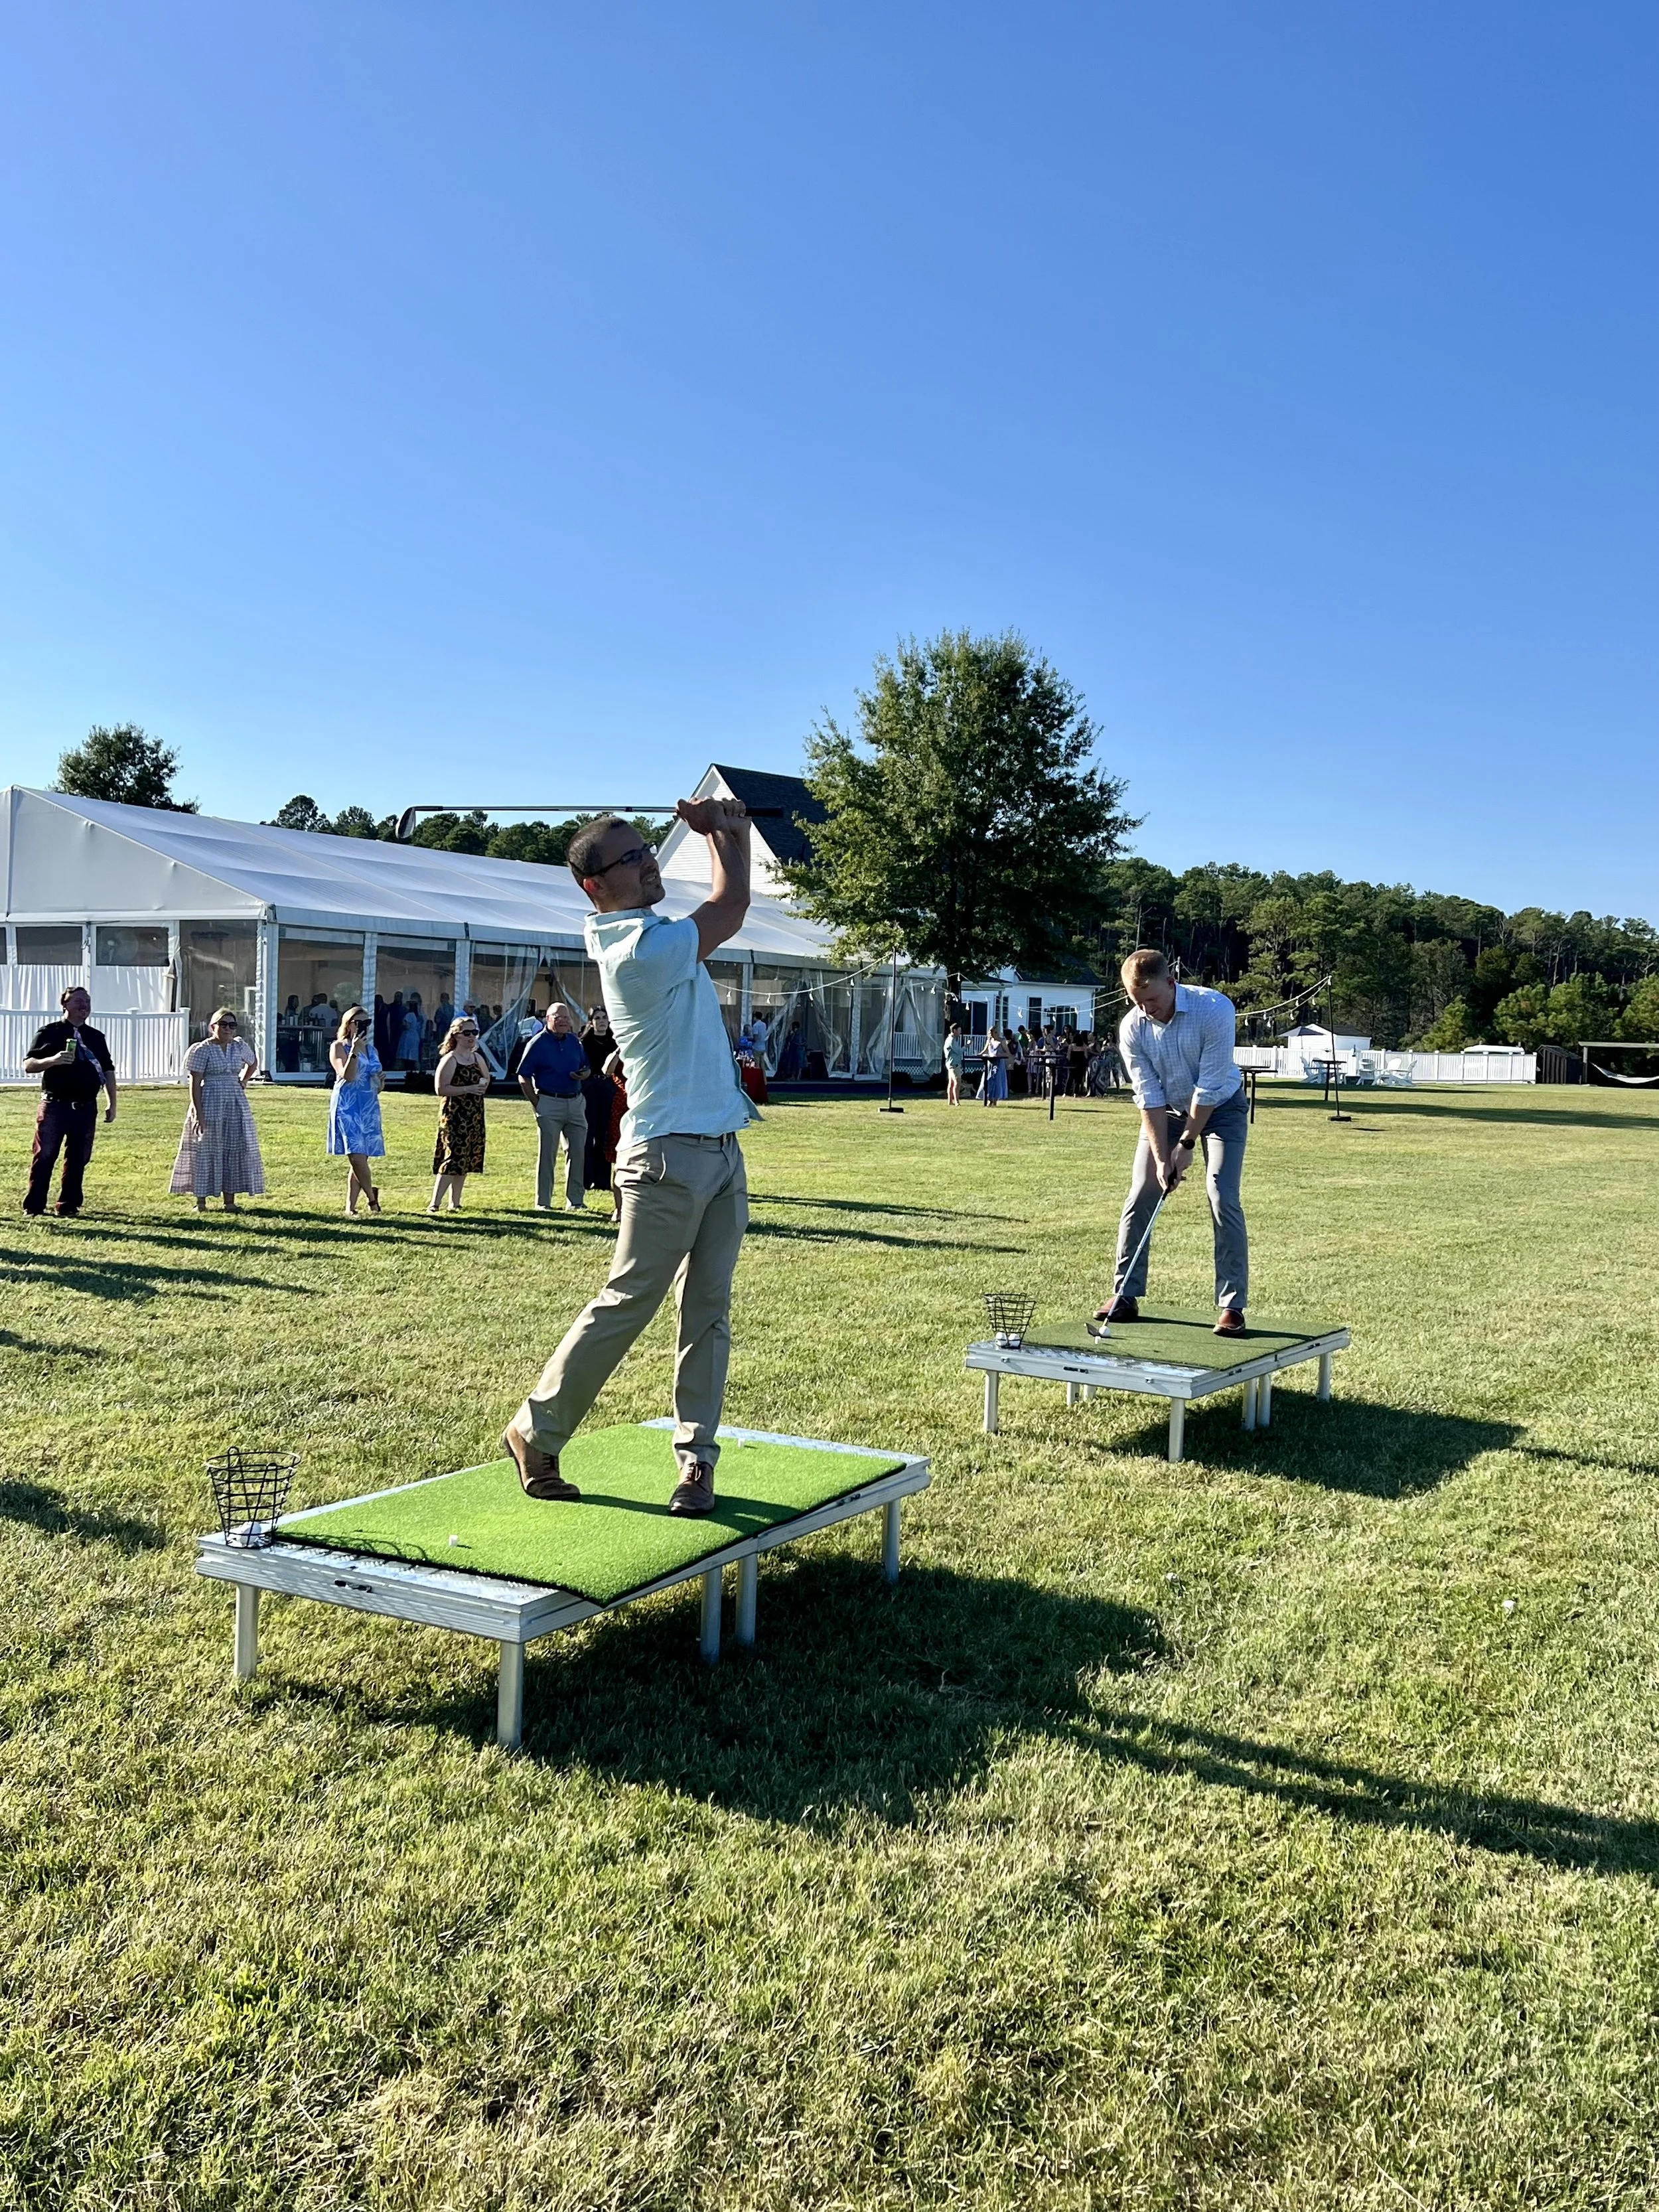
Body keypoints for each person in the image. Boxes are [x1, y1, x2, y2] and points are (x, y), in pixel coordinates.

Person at [501, 797, 757, 1515]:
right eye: (632, 858)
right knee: (628, 1300)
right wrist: (722, 834)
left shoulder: (653, 936)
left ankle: (696, 1462)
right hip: (667, 1158)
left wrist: (728, 832)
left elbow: (728, 901)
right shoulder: (639, 948)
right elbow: (730, 904)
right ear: (595, 885)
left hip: (719, 1149)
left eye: (647, 849)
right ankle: (536, 1430)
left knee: (708, 1312)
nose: (649, 863)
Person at [1097, 948, 1250, 1335]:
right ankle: (1125, 1295)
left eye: (1152, 1000)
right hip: (1165, 1110)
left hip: (1222, 1108)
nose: (1146, 1010)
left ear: (1171, 983)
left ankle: (1232, 1306)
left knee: (1221, 1193)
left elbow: (1210, 1086)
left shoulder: (1214, 1009)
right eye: (1137, 1002)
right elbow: (1147, 1095)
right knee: (1142, 1189)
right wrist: (1161, 1154)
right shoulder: (1133, 1026)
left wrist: (1184, 1147)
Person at [22, 986, 117, 1218]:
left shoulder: (96, 1037)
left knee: (79, 1157)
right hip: (55, 1105)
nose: (84, 1005)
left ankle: (68, 1205)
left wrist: (112, 1102)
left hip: (85, 1107)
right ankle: (34, 1206)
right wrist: (53, 1060)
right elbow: (28, 1065)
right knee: (45, 1154)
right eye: (78, 1001)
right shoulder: (50, 1032)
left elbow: (107, 1070)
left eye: (87, 1001)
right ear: (65, 1005)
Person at [171, 1007, 264, 1213]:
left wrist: (244, 1080)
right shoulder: (201, 1049)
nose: (228, 1029)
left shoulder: (239, 1046)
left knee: (233, 1147)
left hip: (235, 1102)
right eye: (223, 1025)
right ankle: (201, 1202)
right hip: (211, 1099)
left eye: (232, 1025)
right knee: (206, 1148)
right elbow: (195, 1084)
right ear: (213, 1027)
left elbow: (253, 1062)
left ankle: (229, 1202)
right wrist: (198, 1113)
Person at [518, 1003, 591, 1211]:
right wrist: (536, 1102)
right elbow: (523, 1075)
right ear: (548, 1018)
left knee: (577, 1153)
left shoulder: (574, 1042)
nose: (564, 1021)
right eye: (559, 1017)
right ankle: (544, 1202)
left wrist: (583, 1074)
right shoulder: (538, 1042)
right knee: (547, 1155)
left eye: (566, 1017)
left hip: (575, 1101)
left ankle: (576, 1201)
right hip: (549, 1101)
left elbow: (586, 1067)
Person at [326, 1005, 385, 1215]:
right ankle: (372, 1199)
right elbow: (347, 1076)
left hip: (368, 1106)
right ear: (349, 1024)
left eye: (367, 1023)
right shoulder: (338, 1047)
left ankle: (350, 1207)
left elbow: (376, 1081)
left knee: (361, 1160)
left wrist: (380, 1082)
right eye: (359, 1023)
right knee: (356, 1156)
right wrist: (354, 1051)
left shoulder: (373, 1050)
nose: (364, 1027)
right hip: (347, 1106)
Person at [429, 1015, 488, 1211]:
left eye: (474, 1033)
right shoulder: (450, 1059)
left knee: (466, 1157)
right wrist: (468, 1089)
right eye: (467, 1033)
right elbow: (441, 1089)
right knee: (453, 1157)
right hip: (454, 1116)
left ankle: (455, 1203)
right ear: (456, 1035)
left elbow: (486, 1079)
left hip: (474, 1115)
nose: (472, 1037)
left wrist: (480, 1086)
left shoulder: (477, 1058)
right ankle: (434, 1203)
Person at [979, 1026, 1008, 1104]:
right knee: (989, 1080)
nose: (991, 1035)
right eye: (990, 1034)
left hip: (999, 1064)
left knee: (997, 1081)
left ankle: (995, 1099)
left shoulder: (1002, 1041)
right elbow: (985, 1051)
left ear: (996, 1033)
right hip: (990, 1063)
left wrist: (999, 1055)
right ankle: (989, 1099)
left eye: (993, 1033)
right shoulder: (989, 1041)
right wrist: (980, 1055)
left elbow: (1007, 1053)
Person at [943, 1022, 964, 1104]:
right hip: (954, 1064)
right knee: (957, 1082)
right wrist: (966, 1046)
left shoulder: (950, 1039)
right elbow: (959, 1052)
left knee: (951, 1083)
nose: (960, 1032)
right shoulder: (952, 1040)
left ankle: (950, 1101)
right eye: (959, 1030)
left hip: (950, 1064)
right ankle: (957, 1102)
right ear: (954, 1030)